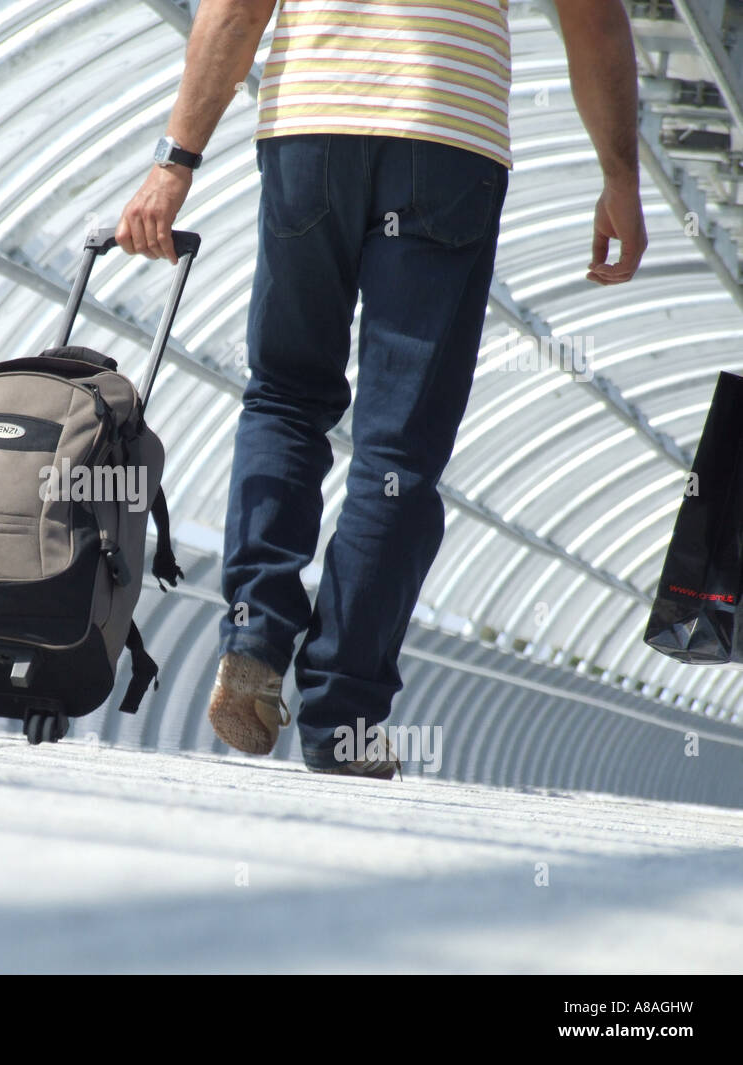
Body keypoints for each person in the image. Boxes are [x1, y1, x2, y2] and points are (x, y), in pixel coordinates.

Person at [116, 0, 647, 778]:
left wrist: (174, 163)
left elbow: (236, 8)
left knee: (286, 397)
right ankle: (342, 716)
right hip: (446, 138)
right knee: (399, 446)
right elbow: (595, 19)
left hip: (313, 128)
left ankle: (255, 635)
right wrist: (619, 174)